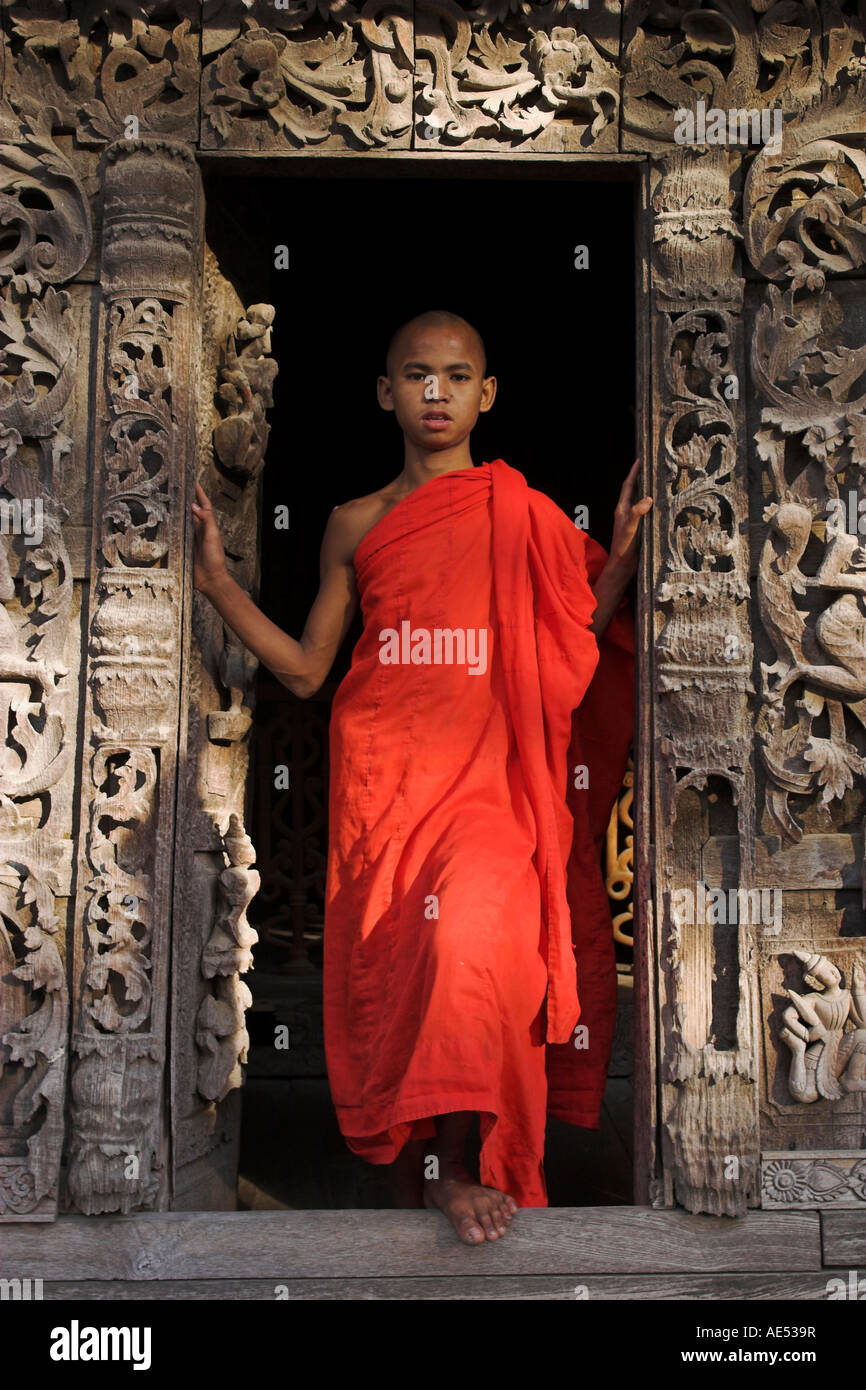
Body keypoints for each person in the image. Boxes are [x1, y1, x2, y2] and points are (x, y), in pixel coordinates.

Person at [193, 309, 652, 1245]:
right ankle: (431, 1163)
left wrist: (624, 550)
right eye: (415, 374)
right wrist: (216, 585)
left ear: (486, 394)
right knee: (409, 971)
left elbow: (571, 643)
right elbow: (311, 670)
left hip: (493, 787)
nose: (435, 392)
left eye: (455, 375)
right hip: (388, 783)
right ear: (385, 393)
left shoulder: (521, 511)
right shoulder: (354, 524)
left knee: (474, 939)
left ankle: (459, 1168)